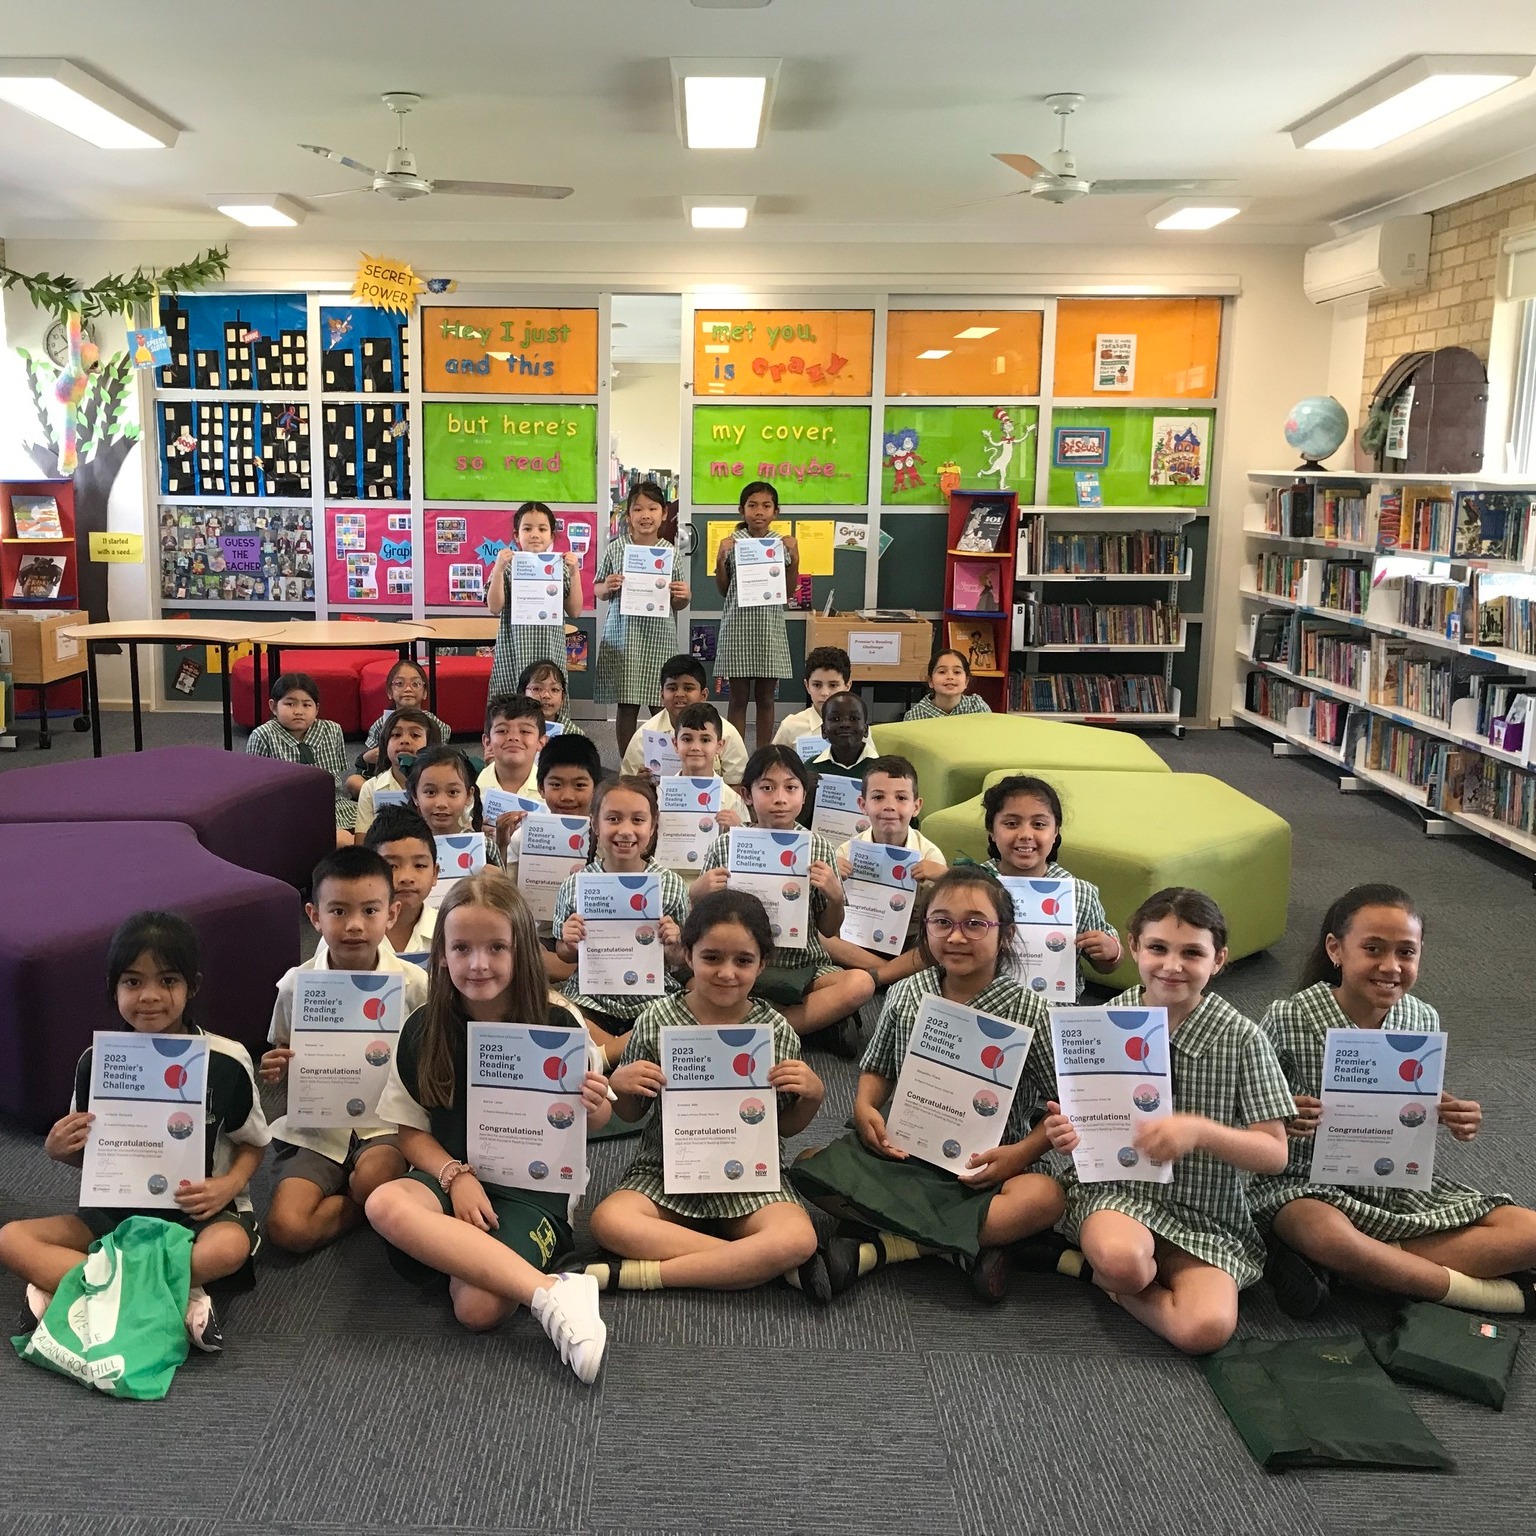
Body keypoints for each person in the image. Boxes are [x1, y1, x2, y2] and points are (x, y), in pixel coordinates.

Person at [365, 872, 609, 1382]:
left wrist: (593, 1103)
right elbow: (409, 1131)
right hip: (450, 1173)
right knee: (384, 1201)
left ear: (521, 952)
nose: (478, 964)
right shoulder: (421, 1028)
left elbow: (598, 1117)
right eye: (462, 948)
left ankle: (500, 1270)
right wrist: (456, 1176)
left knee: (476, 1310)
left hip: (533, 1190)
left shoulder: (560, 1022)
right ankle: (551, 1293)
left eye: (497, 947)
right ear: (441, 956)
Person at [1257, 883, 1536, 1318]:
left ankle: (1364, 1267)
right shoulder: (1288, 1015)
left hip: (1393, 1185)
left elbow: (1410, 1107)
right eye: (1373, 948)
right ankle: (1503, 1297)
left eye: (1406, 952)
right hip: (1303, 1184)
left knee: (1530, 1232)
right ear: (1336, 949)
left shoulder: (1421, 1017)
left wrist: (1449, 1112)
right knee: (1324, 1231)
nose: (1391, 966)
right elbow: (1242, 1111)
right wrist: (1281, 1114)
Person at [1, 912, 269, 1352]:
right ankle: (179, 1294)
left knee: (228, 1249)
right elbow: (90, 1156)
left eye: (167, 981)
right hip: (117, 1213)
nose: (149, 997)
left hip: (197, 1214)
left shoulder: (224, 1059)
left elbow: (254, 1143)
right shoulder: (97, 1061)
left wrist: (229, 1186)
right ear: (113, 988)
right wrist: (57, 1150)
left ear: (192, 986)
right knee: (11, 1239)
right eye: (132, 982)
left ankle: (82, 1290)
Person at [1043, 887, 1294, 1355]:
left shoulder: (1243, 1038)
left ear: (1219, 960)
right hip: (1119, 1194)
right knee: (1127, 1265)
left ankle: (1091, 1275)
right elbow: (1081, 1128)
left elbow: (1275, 1154)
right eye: (1157, 948)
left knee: (1205, 1331)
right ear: (1134, 947)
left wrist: (1200, 1131)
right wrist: (1067, 1133)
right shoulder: (1100, 1023)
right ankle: (1112, 1273)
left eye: (1192, 953)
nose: (1172, 966)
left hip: (1207, 1214)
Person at [793, 869, 1063, 1300]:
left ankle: (883, 1245)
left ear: (1005, 934)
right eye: (942, 922)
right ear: (925, 929)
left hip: (989, 1168)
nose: (956, 936)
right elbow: (878, 1068)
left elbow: (1062, 1106)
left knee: (1044, 1197)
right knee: (809, 1166)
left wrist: (1018, 1155)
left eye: (975, 923)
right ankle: (965, 1246)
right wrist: (864, 1108)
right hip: (909, 1151)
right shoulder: (907, 993)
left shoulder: (1030, 1010)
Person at [584, 890, 828, 1297]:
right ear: (688, 954)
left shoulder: (774, 1032)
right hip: (665, 1170)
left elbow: (783, 1128)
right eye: (711, 957)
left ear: (763, 963)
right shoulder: (658, 1018)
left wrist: (813, 1096)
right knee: (608, 1221)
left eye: (743, 961)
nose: (727, 973)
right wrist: (619, 1085)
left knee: (798, 1239)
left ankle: (642, 1275)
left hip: (750, 1175)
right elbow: (630, 1114)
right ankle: (750, 1263)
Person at [258, 847, 429, 1254]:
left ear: (391, 913)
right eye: (337, 911)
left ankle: (366, 1198)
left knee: (374, 1182)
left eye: (370, 911)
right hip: (318, 1128)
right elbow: (283, 1046)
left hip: (385, 1125)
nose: (354, 925)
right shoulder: (295, 987)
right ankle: (362, 1211)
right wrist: (277, 1066)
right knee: (287, 1229)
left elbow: (431, 1053)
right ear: (314, 916)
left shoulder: (414, 983)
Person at [693, 745, 875, 1050]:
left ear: (804, 795)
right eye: (767, 787)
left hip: (802, 966)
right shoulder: (726, 846)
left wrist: (835, 898)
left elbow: (829, 931)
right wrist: (698, 892)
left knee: (860, 984)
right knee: (689, 981)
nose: (780, 798)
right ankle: (806, 1025)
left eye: (791, 788)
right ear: (746, 795)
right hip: (737, 965)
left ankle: (759, 1028)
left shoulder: (817, 848)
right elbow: (701, 925)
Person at [553, 775, 690, 1067]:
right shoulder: (576, 884)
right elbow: (564, 955)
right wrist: (569, 940)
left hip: (651, 1001)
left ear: (652, 827)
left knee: (681, 1018)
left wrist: (673, 942)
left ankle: (603, 1057)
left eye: (638, 820)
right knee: (554, 1012)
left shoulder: (671, 885)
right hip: (591, 998)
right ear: (594, 823)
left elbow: (681, 961)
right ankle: (626, 1052)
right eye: (613, 819)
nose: (625, 831)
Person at [980, 775, 1120, 998]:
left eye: (1039, 824)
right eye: (1011, 823)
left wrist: (1108, 951)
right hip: (984, 1001)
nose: (1025, 835)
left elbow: (1106, 965)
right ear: (992, 831)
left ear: (1055, 832)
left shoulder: (1077, 893)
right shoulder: (973, 885)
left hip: (1051, 1008)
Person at [823, 755, 947, 988]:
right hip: (858, 941)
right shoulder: (845, 851)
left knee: (939, 940)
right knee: (820, 936)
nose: (889, 806)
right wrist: (833, 879)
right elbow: (830, 918)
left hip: (910, 944)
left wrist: (942, 877)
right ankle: (890, 974)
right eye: (878, 797)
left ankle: (876, 976)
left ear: (916, 806)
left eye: (901, 798)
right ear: (863, 805)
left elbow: (945, 914)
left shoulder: (930, 854)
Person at [595, 480, 689, 756]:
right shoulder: (616, 548)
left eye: (652, 508)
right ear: (628, 517)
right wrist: (607, 586)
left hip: (659, 635)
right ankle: (627, 762)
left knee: (663, 703)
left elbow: (680, 603)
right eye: (638, 509)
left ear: (663, 514)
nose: (645, 515)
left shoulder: (671, 553)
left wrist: (683, 594)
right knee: (627, 704)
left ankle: (666, 762)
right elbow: (598, 589)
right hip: (625, 635)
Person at [715, 481, 798, 748]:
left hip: (769, 628)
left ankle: (763, 755)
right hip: (738, 627)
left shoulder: (780, 544)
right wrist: (720, 560)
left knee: (766, 698)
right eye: (752, 505)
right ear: (742, 510)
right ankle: (736, 756)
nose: (759, 512)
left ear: (776, 511)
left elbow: (787, 590)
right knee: (737, 699)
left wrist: (795, 559)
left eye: (766, 506)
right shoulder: (732, 542)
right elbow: (723, 590)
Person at [486, 501, 584, 700]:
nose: (535, 534)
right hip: (514, 649)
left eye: (542, 529)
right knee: (512, 699)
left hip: (550, 647)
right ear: (516, 535)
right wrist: (498, 569)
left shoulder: (562, 566)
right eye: (527, 528)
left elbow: (575, 611)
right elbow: (494, 607)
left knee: (549, 699)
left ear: (552, 536)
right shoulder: (507, 565)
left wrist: (574, 573)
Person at [247, 672, 353, 844]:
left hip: (333, 804)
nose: (299, 711)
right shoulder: (262, 735)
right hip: (285, 808)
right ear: (274, 707)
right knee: (342, 840)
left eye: (306, 705)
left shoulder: (333, 730)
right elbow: (252, 787)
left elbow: (338, 779)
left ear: (317, 708)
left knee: (374, 826)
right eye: (290, 704)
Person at [619, 654, 748, 784]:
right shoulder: (644, 736)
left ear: (703, 695)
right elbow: (625, 786)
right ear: (662, 695)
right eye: (672, 688)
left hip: (715, 802)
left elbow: (738, 786)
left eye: (688, 688)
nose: (679, 694)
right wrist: (639, 783)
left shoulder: (727, 733)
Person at [346, 658, 450, 795]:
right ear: (390, 691)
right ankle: (383, 797)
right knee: (353, 781)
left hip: (423, 777)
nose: (408, 689)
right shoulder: (380, 725)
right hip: (386, 775)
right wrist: (368, 756)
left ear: (425, 692)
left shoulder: (437, 725)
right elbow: (370, 765)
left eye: (415, 684)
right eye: (400, 684)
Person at [365, 805, 441, 962]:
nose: (406, 877)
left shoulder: (448, 931)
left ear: (435, 873)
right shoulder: (345, 935)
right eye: (391, 866)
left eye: (419, 865)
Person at [354, 707, 433, 842]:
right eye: (396, 735)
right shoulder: (371, 787)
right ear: (385, 744)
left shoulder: (443, 786)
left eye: (415, 735)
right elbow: (362, 843)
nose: (405, 741)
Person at [672, 702, 750, 829]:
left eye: (705, 740)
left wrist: (738, 829)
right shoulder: (660, 795)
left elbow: (745, 846)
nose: (695, 748)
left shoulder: (733, 801)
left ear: (719, 746)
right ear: (675, 744)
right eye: (687, 739)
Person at [478, 694, 548, 820]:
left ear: (541, 742)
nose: (513, 737)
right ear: (487, 742)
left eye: (525, 731)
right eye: (502, 731)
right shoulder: (472, 791)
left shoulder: (549, 792)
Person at [774, 645, 851, 750]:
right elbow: (773, 763)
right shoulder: (791, 726)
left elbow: (871, 764)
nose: (825, 693)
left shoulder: (856, 725)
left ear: (847, 686)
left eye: (833, 685)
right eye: (817, 685)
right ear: (807, 686)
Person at [406, 745, 482, 838]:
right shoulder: (402, 848)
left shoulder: (484, 846)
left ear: (469, 795)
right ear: (415, 796)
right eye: (430, 792)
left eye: (453, 792)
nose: (441, 804)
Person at [903, 648, 992, 721]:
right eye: (942, 672)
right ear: (930, 681)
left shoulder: (978, 708)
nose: (950, 677)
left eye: (957, 672)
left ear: (966, 681)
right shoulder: (914, 717)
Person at [808, 691, 879, 781]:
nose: (845, 724)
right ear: (823, 730)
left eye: (853, 718)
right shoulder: (811, 768)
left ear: (866, 729)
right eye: (835, 719)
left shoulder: (883, 769)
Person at [517, 660, 587, 738]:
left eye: (554, 690)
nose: (546, 695)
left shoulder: (573, 734)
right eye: (537, 689)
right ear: (522, 693)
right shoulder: (510, 728)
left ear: (563, 697)